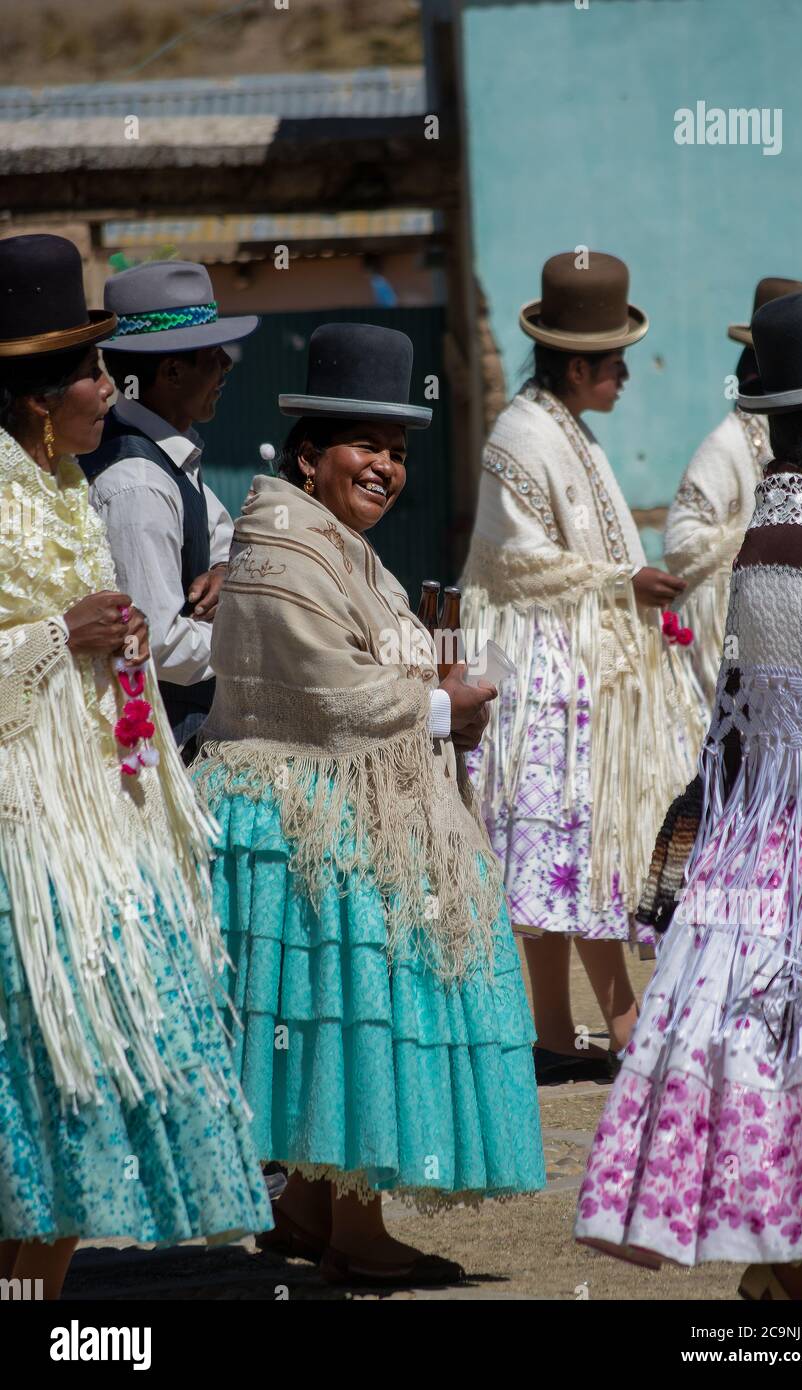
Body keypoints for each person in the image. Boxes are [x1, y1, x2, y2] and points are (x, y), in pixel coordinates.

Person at [192, 323, 546, 1288]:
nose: (386, 466)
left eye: (397, 450)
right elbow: (332, 694)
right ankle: (357, 1230)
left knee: (327, 1018)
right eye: (365, 446)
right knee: (357, 1011)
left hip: (324, 814)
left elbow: (367, 670)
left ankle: (309, 1210)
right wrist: (443, 702)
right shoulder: (284, 553)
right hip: (312, 824)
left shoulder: (329, 545)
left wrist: (441, 694)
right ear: (310, 454)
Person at [576, 285, 802, 1298]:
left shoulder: (763, 550)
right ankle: (793, 1275)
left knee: (772, 1059)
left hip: (756, 873)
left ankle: (781, 1274)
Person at [0, 234, 271, 1299]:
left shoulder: (66, 487)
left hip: (101, 819)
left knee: (97, 1073)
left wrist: (126, 633)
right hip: (28, 827)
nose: (109, 392)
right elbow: (37, 632)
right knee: (46, 1079)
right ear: (33, 393)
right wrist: (52, 636)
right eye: (91, 374)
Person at [460, 251, 704, 1082]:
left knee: (575, 856)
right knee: (573, 853)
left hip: (577, 671)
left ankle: (566, 1035)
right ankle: (607, 1029)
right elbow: (518, 565)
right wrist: (621, 581)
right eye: (615, 362)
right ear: (577, 365)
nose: (626, 376)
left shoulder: (568, 432)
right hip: (540, 674)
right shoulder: (521, 437)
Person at [80, 260, 259, 752]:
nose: (226, 363)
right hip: (165, 740)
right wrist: (255, 639)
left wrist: (226, 569)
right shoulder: (138, 486)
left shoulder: (168, 457)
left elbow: (229, 538)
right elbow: (161, 644)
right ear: (173, 371)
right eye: (212, 354)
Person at [664, 277, 802, 706]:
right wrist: (761, 539)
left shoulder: (792, 441)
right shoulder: (727, 444)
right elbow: (680, 543)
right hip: (734, 641)